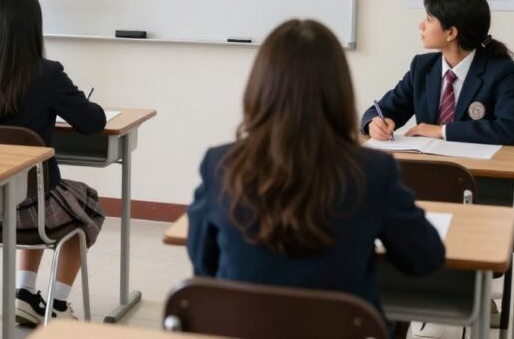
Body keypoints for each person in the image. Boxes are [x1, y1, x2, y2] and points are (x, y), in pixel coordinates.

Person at [187, 19, 445, 323]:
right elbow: (424, 259)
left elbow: (203, 264)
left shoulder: (221, 165)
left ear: (260, 87)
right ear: (339, 92)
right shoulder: (374, 172)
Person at [0, 0, 106, 325]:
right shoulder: (47, 72)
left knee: (34, 191)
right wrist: (80, 98)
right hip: (31, 207)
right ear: (33, 27)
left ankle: (25, 294)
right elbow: (92, 122)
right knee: (88, 207)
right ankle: (57, 304)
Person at [363, 0, 514, 146]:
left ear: (451, 33)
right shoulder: (422, 67)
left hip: (477, 170)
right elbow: (380, 110)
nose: (421, 25)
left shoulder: (500, 71)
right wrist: (374, 124)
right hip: (430, 168)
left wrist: (442, 131)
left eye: (429, 19)